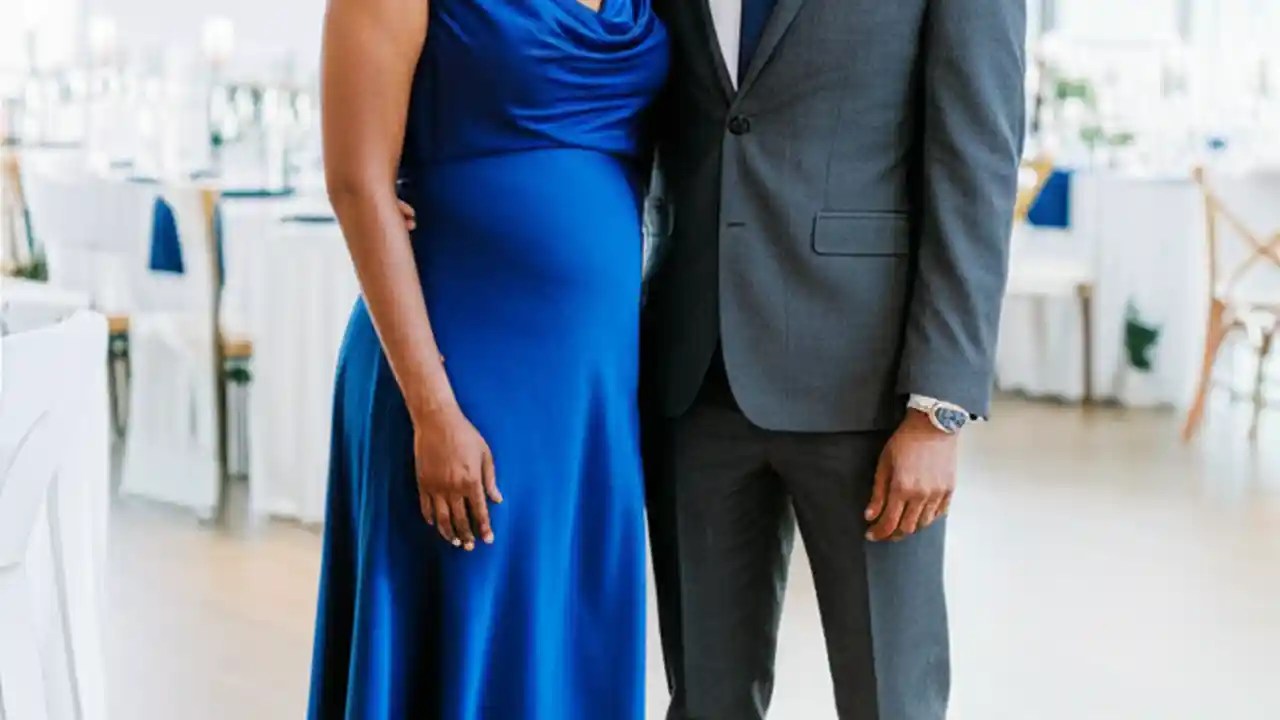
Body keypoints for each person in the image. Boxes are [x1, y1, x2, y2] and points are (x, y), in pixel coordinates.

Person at [643, 0, 1026, 718]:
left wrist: (938, 408)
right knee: (704, 697)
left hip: (870, 390)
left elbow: (976, 164)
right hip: (695, 378)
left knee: (890, 695)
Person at [307, 0, 668, 718]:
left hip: (587, 388)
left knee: (567, 625)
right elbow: (355, 182)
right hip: (456, 364)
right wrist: (433, 409)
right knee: (467, 618)